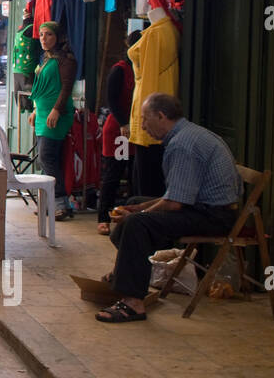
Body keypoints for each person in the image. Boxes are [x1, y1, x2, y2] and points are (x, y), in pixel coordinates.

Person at [96, 93, 242, 323]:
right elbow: (173, 196)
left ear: (161, 116)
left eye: (145, 119)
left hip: (215, 215)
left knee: (136, 223)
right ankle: (125, 270)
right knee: (132, 204)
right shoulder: (187, 134)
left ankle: (133, 303)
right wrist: (139, 208)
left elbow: (175, 203)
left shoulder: (183, 144)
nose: (142, 126)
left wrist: (140, 215)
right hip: (202, 206)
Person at [28, 21, 77, 220]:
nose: (44, 38)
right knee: (46, 159)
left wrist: (56, 109)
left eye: (48, 35)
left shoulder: (66, 60)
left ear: (57, 37)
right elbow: (41, 87)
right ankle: (55, 203)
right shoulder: (46, 58)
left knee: (47, 157)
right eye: (41, 34)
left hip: (57, 114)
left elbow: (66, 88)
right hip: (42, 113)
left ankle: (60, 204)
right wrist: (35, 109)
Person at [97, 30, 142, 236]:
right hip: (121, 133)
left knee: (135, 175)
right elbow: (112, 100)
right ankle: (103, 218)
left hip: (139, 132)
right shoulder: (120, 70)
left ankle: (129, 219)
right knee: (114, 174)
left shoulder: (143, 69)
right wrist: (124, 123)